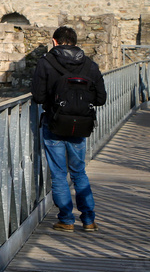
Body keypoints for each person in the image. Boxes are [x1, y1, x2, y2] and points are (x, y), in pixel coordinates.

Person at [31, 26, 106, 232]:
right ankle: (89, 220)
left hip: (54, 124)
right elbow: (101, 99)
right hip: (80, 126)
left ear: (55, 41)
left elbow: (37, 97)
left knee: (58, 174)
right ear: (75, 41)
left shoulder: (45, 62)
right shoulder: (89, 65)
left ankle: (66, 219)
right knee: (79, 173)